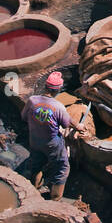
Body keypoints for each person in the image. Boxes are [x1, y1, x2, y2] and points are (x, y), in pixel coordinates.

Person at [22, 72, 85, 200]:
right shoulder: (58, 107)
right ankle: (55, 198)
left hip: (34, 139)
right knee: (62, 167)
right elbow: (67, 123)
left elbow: (23, 116)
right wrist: (78, 126)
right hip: (52, 142)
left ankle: (34, 189)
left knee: (37, 163)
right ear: (58, 90)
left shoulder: (32, 100)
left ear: (46, 87)